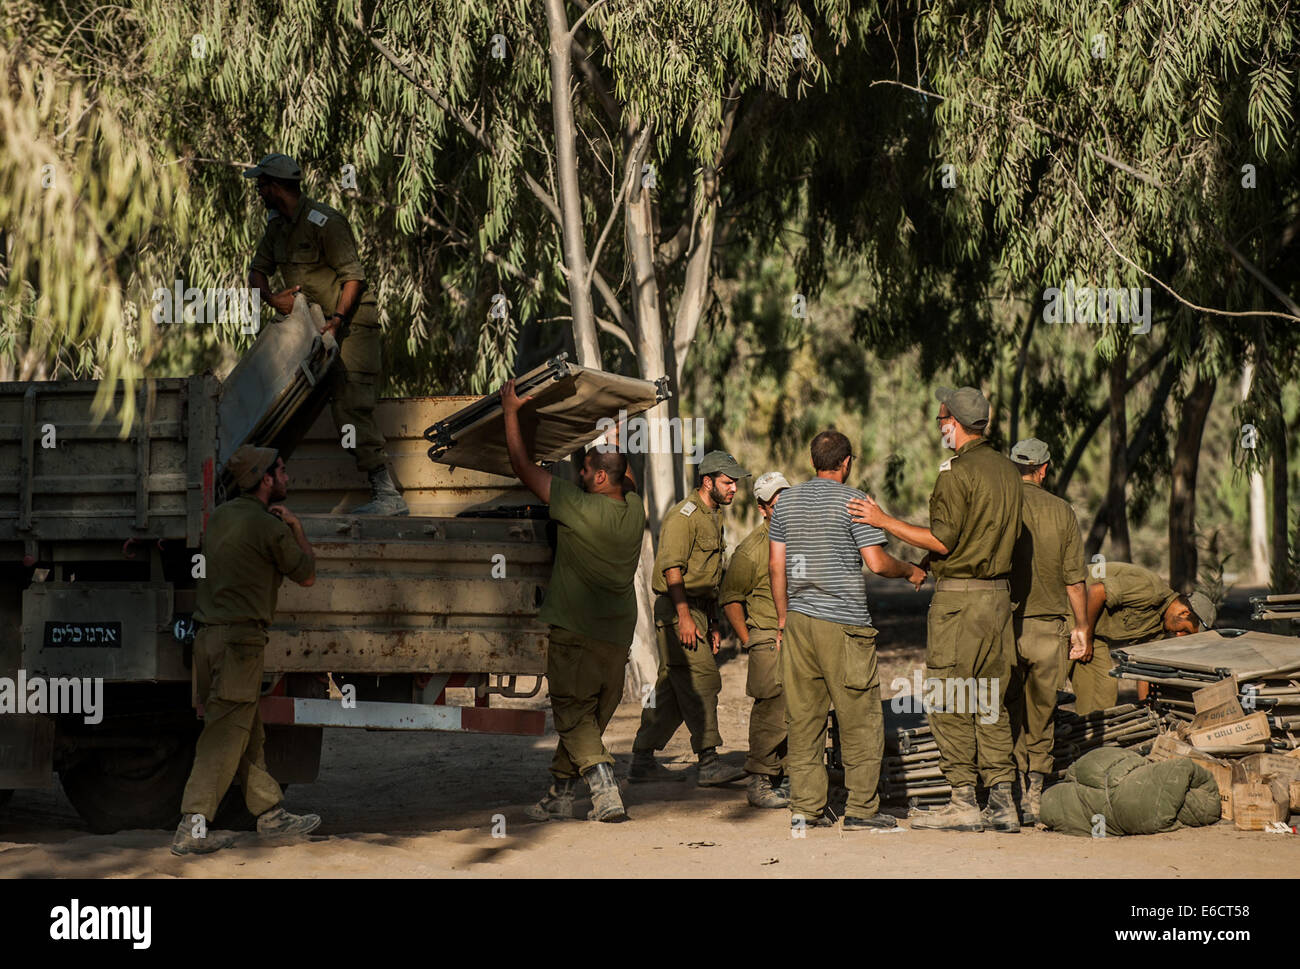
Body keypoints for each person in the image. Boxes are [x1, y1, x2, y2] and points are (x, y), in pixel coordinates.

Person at [849, 387, 1022, 833]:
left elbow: (945, 538)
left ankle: (962, 800)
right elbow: (982, 536)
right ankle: (1003, 802)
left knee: (950, 697)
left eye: (941, 417)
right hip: (999, 600)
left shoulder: (954, 473)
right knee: (990, 700)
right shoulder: (1008, 470)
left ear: (955, 424)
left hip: (960, 603)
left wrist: (883, 519)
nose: (939, 424)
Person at [500, 380, 645, 823]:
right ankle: (559, 794)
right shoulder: (634, 509)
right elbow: (628, 473)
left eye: (584, 471)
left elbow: (523, 467)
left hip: (577, 633)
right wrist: (615, 429)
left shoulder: (578, 507)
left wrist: (511, 412)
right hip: (617, 637)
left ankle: (603, 788)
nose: (577, 476)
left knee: (571, 713)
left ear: (600, 477)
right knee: (586, 717)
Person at [770, 430, 925, 830]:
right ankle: (861, 809)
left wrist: (784, 619)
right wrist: (910, 570)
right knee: (860, 718)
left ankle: (806, 808)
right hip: (844, 624)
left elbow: (776, 565)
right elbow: (875, 562)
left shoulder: (786, 503)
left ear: (813, 461)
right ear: (847, 462)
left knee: (804, 719)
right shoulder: (852, 502)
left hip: (799, 623)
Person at [172, 445, 322, 855]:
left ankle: (270, 814)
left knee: (243, 728)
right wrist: (296, 527)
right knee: (225, 733)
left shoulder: (219, 518)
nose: (288, 478)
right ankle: (193, 825)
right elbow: (307, 575)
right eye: (282, 471)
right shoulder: (269, 527)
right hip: (241, 644)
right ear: (266, 480)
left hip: (208, 640)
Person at [245, 152, 408, 516]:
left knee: (350, 407)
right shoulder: (277, 229)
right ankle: (260, 490)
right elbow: (256, 272)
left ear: (276, 187)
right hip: (310, 328)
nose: (258, 191)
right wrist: (272, 299)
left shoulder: (325, 222)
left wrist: (335, 321)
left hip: (350, 328)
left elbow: (354, 277)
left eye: (262, 185)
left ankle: (387, 495)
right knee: (284, 403)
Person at [628, 451, 751, 787]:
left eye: (735, 483)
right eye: (727, 483)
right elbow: (672, 570)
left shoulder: (714, 516)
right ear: (707, 481)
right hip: (676, 609)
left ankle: (642, 758)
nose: (733, 490)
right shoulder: (683, 516)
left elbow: (708, 575)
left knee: (673, 687)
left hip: (696, 609)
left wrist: (710, 622)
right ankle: (709, 761)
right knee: (704, 681)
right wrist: (685, 617)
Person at [1005, 438, 1088, 824]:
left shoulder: (1000, 504)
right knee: (1042, 713)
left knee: (1006, 709)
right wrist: (1082, 626)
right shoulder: (1062, 511)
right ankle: (1034, 795)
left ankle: (1007, 791)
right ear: (1043, 469)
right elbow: (1075, 581)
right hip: (1049, 627)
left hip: (1004, 625)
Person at [719, 471, 791, 809]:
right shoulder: (750, 551)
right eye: (778, 503)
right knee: (771, 705)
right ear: (763, 508)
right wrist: (750, 640)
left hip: (798, 632)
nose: (786, 507)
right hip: (765, 635)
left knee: (802, 705)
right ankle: (760, 780)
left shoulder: (803, 536)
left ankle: (789, 775)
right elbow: (731, 597)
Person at [1076, 562, 1216, 713]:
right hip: (1068, 606)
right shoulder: (1152, 590)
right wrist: (1085, 636)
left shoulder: (1159, 629)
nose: (1180, 635)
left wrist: (1147, 710)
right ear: (1184, 613)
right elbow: (1097, 591)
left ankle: (1084, 734)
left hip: (1091, 630)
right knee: (1051, 684)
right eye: (1185, 630)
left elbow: (1143, 667)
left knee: (1103, 689)